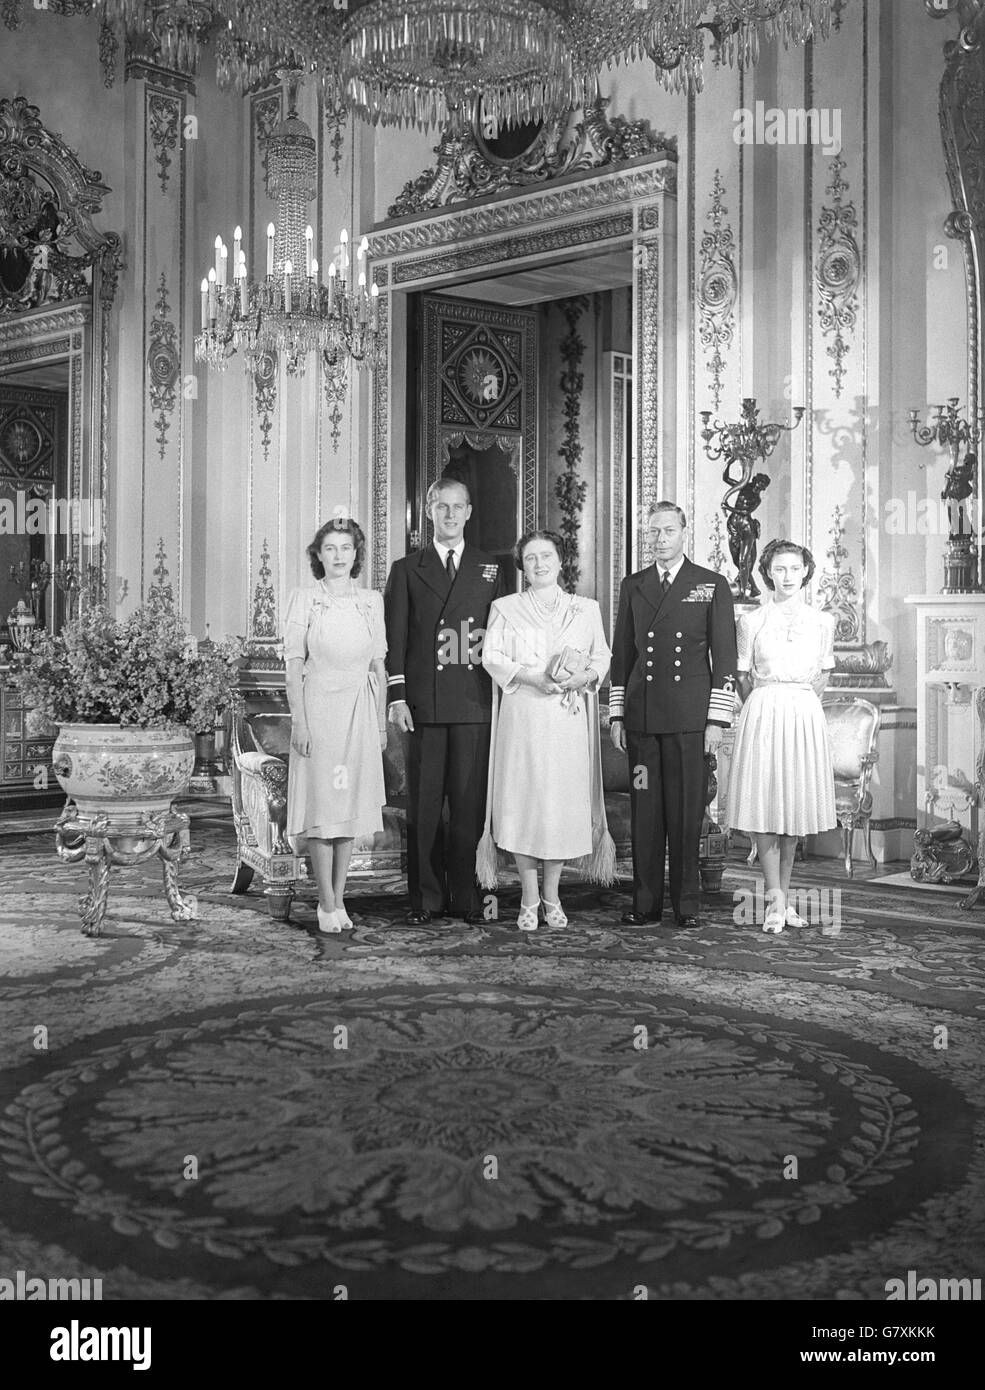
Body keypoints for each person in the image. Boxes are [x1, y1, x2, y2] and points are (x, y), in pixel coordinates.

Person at [384, 477, 509, 925]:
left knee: (469, 804)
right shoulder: (406, 568)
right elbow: (395, 640)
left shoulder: (492, 567)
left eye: (459, 507)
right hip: (423, 704)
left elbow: (503, 637)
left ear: (470, 512)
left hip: (474, 701)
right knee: (425, 804)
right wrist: (397, 696)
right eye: (442, 507)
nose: (451, 515)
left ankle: (468, 896)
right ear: (429, 511)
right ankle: (425, 899)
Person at [476, 530, 615, 930]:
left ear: (560, 560)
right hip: (524, 716)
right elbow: (492, 656)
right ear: (522, 565)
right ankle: (528, 895)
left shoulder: (585, 608)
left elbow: (602, 655)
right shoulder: (505, 607)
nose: (539, 564)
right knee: (526, 804)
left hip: (567, 719)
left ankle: (552, 894)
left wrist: (584, 676)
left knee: (559, 809)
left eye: (547, 556)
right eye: (531, 558)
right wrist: (533, 677)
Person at [610, 501, 738, 928]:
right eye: (653, 532)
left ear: (685, 531)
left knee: (686, 816)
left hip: (689, 722)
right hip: (643, 722)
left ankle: (686, 906)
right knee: (646, 814)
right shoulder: (634, 585)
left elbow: (725, 660)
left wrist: (716, 721)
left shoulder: (710, 584)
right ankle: (643, 904)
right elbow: (621, 654)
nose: (659, 539)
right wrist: (617, 716)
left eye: (667, 531)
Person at [725, 539, 838, 933]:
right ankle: (774, 901)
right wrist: (763, 703)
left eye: (795, 568)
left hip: (804, 712)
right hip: (764, 709)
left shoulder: (823, 622)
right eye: (779, 569)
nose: (788, 577)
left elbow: (823, 675)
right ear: (767, 573)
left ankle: (783, 901)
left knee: (792, 808)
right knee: (766, 804)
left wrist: (799, 704)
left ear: (806, 571)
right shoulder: (751, 621)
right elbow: (741, 674)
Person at [284, 517, 387, 934]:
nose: (339, 556)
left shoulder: (371, 601)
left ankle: (340, 899)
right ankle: (325, 903)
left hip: (358, 714)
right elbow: (293, 670)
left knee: (346, 811)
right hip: (320, 713)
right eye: (330, 548)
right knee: (324, 809)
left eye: (346, 548)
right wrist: (300, 724)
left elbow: (379, 667)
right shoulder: (304, 600)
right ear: (318, 555)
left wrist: (379, 725)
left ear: (356, 554)